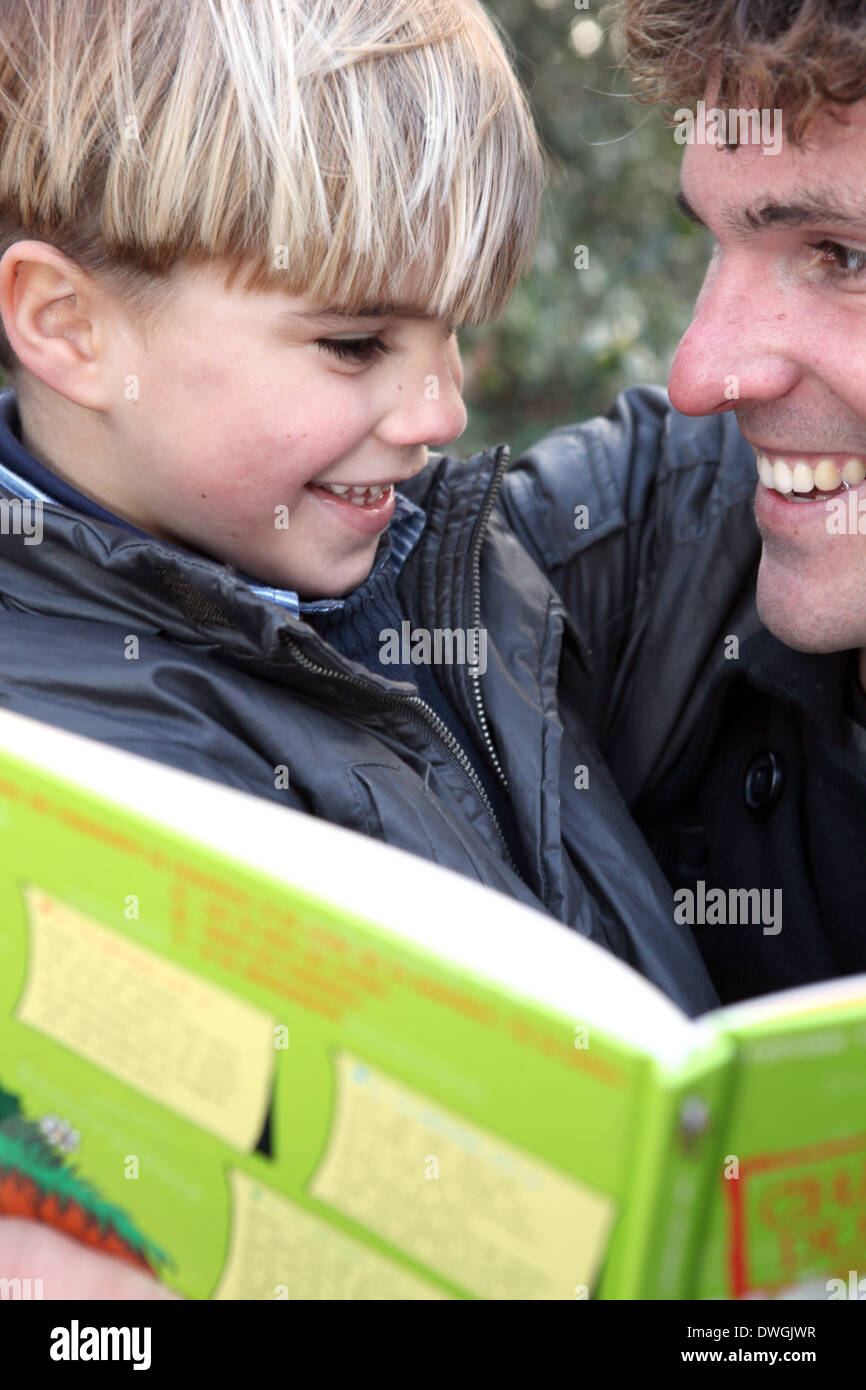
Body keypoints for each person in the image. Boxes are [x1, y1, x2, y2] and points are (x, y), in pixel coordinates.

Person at [0, 0, 754, 1295]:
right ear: (69, 327)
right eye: (356, 342)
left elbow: (705, 481)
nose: (440, 407)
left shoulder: (469, 565)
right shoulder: (43, 752)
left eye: (455, 329)